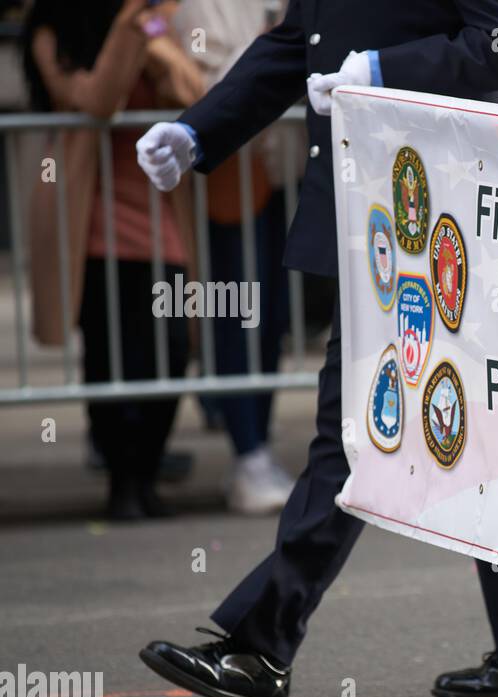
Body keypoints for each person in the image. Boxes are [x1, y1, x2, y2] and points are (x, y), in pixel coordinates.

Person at [134, 0, 498, 697]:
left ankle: (260, 647)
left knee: (357, 427)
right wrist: (199, 129)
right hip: (382, 210)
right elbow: (298, 45)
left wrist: (386, 72)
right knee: (469, 430)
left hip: (445, 213)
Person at [23, 0, 203, 520]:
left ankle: (144, 470)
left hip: (155, 211)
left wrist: (151, 39)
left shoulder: (149, 25)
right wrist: (130, 31)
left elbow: (191, 93)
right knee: (109, 355)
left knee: (171, 347)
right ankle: (123, 481)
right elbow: (96, 99)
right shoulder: (54, 29)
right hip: (89, 211)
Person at [171, 0, 298, 515]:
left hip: (278, 165)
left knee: (270, 319)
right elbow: (216, 83)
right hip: (232, 169)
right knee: (238, 312)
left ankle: (257, 449)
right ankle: (247, 452)